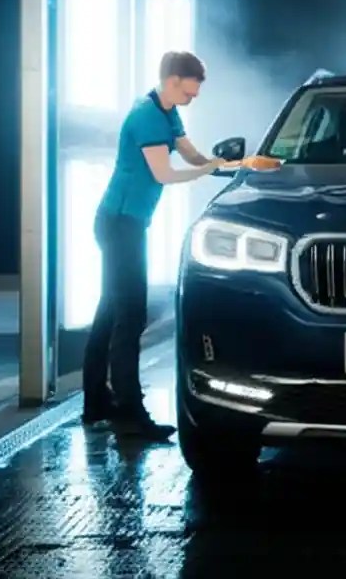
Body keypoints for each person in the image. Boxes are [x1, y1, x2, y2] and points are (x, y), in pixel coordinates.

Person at [82, 51, 280, 441]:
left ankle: (96, 404)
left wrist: (242, 164)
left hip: (126, 221)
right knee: (130, 316)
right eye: (192, 90)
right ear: (174, 79)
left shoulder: (168, 111)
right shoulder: (146, 116)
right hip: (121, 222)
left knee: (111, 313)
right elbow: (166, 173)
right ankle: (128, 412)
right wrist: (211, 168)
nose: (196, 96)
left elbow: (194, 156)